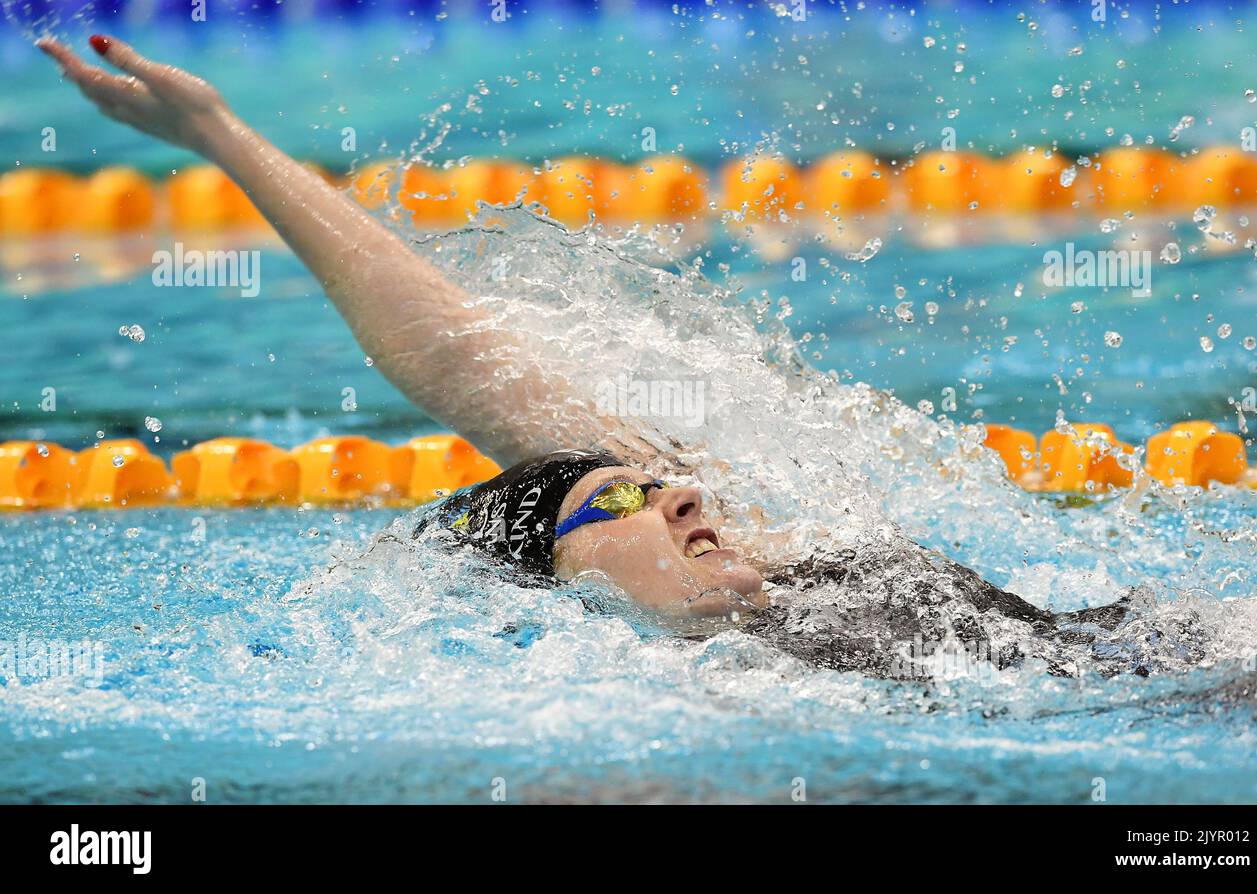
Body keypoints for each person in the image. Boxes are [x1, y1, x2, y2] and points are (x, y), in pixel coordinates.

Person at [39, 35, 1134, 678]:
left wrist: (222, 138)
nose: (683, 491)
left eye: (656, 485)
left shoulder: (806, 581)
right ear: (563, 584)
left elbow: (456, 357)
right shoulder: (670, 697)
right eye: (623, 503)